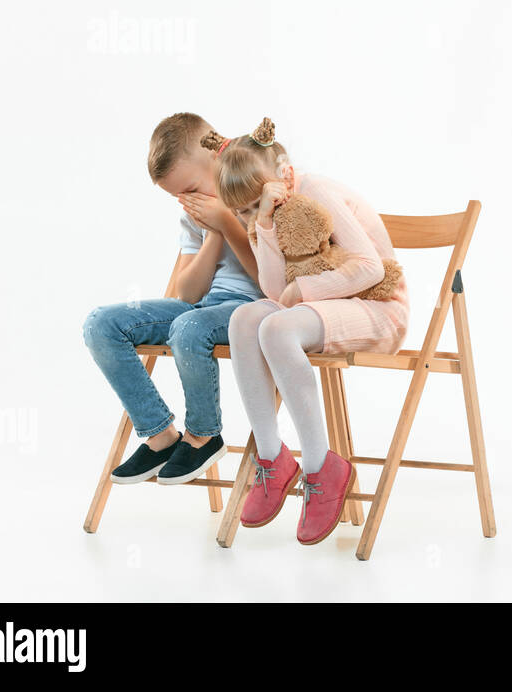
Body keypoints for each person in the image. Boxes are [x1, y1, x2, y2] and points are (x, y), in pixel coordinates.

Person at [210, 117, 410, 545]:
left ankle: (322, 467)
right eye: (241, 211)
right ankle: (273, 459)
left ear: (282, 173)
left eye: (253, 204)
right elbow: (273, 290)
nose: (248, 215)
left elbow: (371, 267)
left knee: (277, 329)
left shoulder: (313, 190)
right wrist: (262, 223)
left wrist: (304, 288)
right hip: (323, 306)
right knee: (244, 320)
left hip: (377, 307)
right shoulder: (266, 213)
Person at [83, 112, 265, 486]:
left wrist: (228, 222)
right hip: (204, 308)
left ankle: (203, 436)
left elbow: (271, 280)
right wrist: (212, 234)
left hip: (255, 308)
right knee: (100, 324)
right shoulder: (197, 215)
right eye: (179, 196)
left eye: (192, 189)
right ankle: (160, 435)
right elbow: (187, 293)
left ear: (216, 155)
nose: (188, 201)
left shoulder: (255, 189)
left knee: (188, 326)